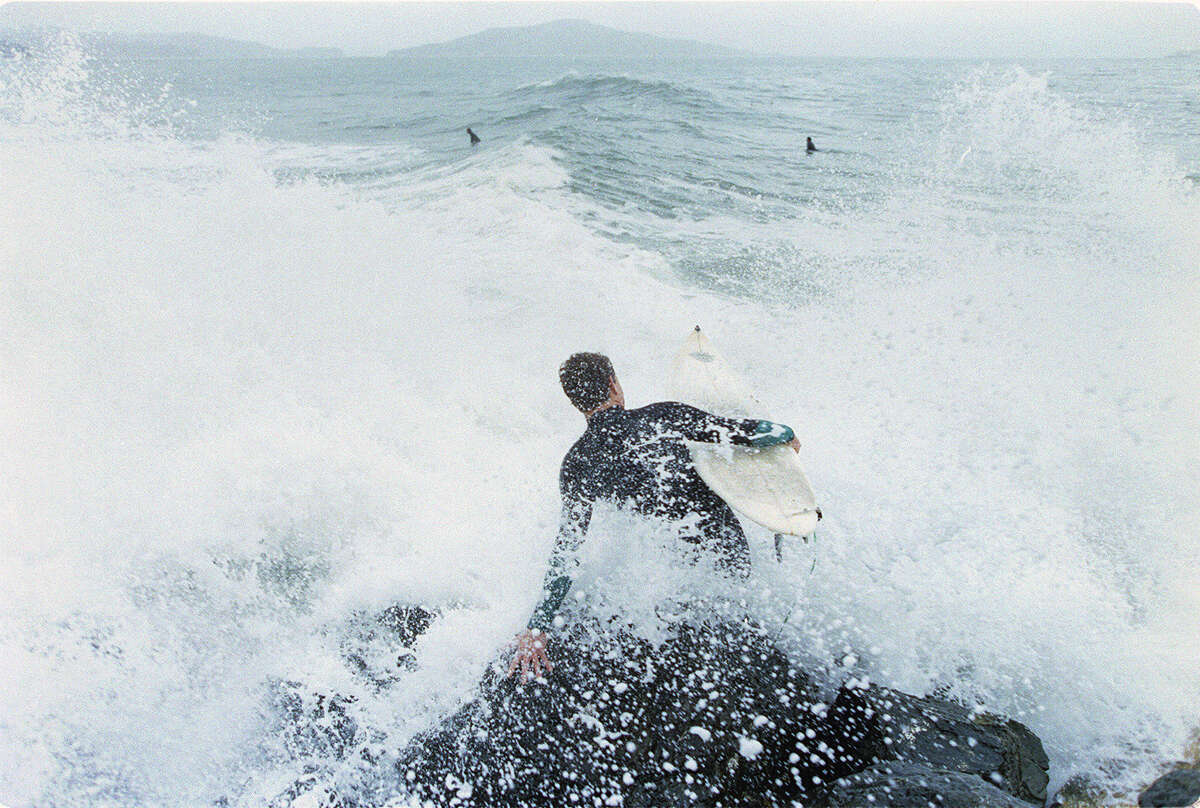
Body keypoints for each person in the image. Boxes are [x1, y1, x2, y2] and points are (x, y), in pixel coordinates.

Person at [508, 352, 801, 681]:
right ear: (613, 384)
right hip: (727, 558)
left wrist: (538, 626)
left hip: (671, 578)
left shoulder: (576, 463)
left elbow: (567, 551)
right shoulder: (664, 416)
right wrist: (785, 434)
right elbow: (746, 432)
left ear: (576, 403)